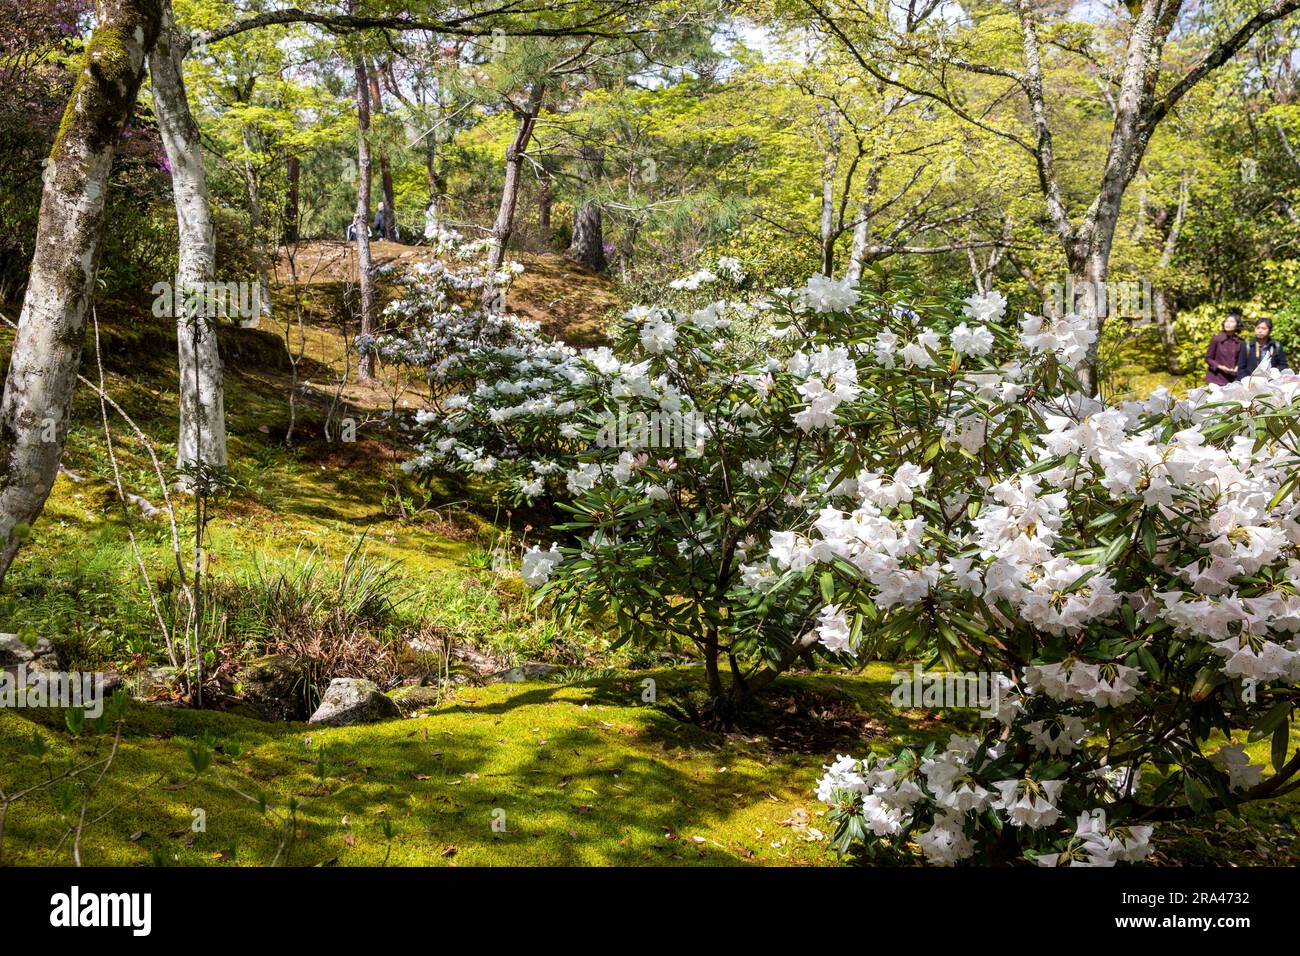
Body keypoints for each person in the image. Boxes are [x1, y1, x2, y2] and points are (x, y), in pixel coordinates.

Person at [1204, 313, 1243, 385]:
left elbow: (1241, 360)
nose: (1228, 324)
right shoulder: (1216, 339)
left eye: (1232, 322)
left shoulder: (1240, 342)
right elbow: (1208, 358)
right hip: (1216, 378)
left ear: (1237, 325)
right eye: (1226, 321)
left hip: (1232, 379)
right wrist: (1221, 367)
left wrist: (1237, 368)